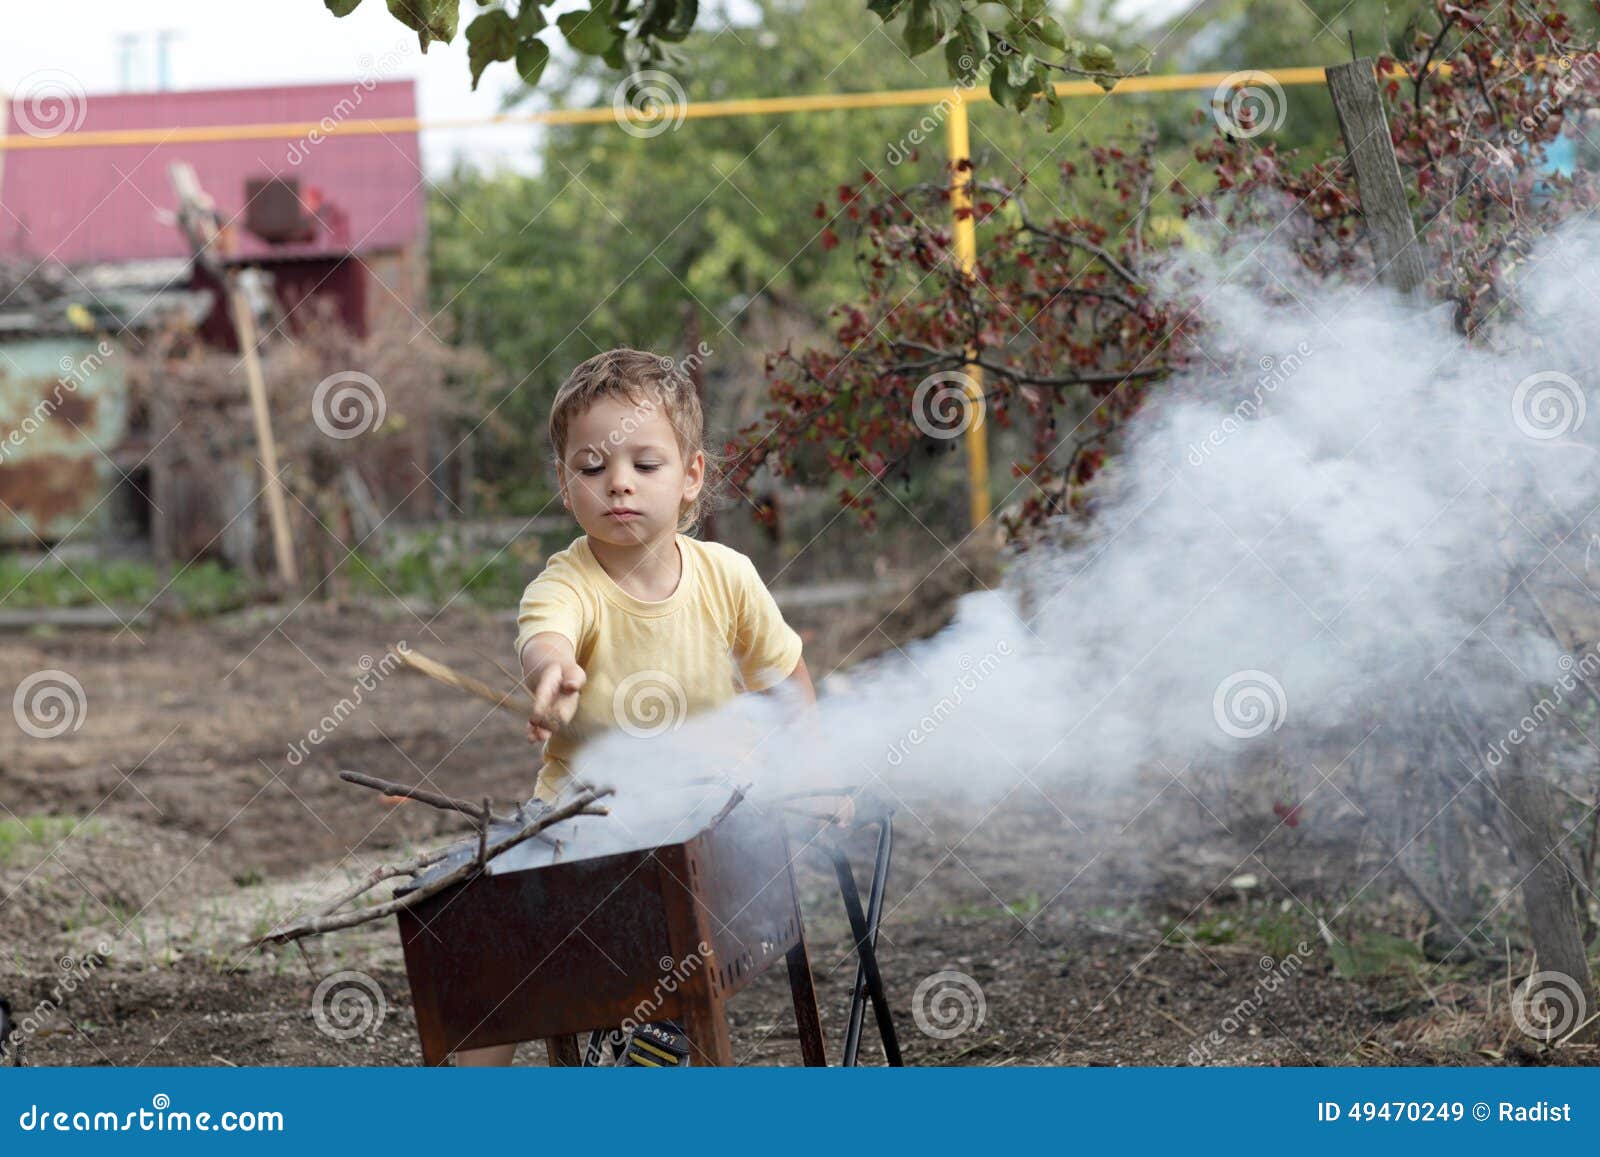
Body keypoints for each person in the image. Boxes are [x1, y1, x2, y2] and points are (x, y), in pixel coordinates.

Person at [453, 347, 849, 1067]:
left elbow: (786, 673)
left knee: (661, 925)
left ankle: (639, 1037)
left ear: (692, 475)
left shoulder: (726, 576)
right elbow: (545, 634)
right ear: (565, 485)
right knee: (495, 962)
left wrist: (812, 769)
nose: (619, 486)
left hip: (694, 823)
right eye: (592, 467)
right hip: (578, 824)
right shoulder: (566, 580)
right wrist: (553, 669)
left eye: (645, 463)